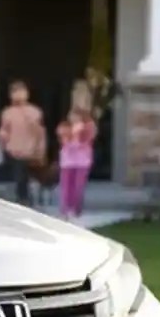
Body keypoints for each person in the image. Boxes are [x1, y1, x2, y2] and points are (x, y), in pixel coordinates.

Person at [0, 80, 46, 206]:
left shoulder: (34, 112)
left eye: (21, 91)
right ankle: (23, 199)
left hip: (31, 149)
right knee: (19, 177)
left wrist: (40, 149)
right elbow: (4, 131)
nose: (18, 95)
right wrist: (5, 143)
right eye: (15, 92)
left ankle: (29, 198)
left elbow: (40, 133)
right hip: (15, 149)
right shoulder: (7, 113)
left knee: (30, 176)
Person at [57, 80, 98, 219]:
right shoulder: (68, 120)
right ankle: (65, 209)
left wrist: (80, 134)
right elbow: (62, 133)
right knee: (66, 185)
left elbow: (90, 136)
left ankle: (75, 209)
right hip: (68, 159)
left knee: (78, 185)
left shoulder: (89, 122)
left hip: (82, 158)